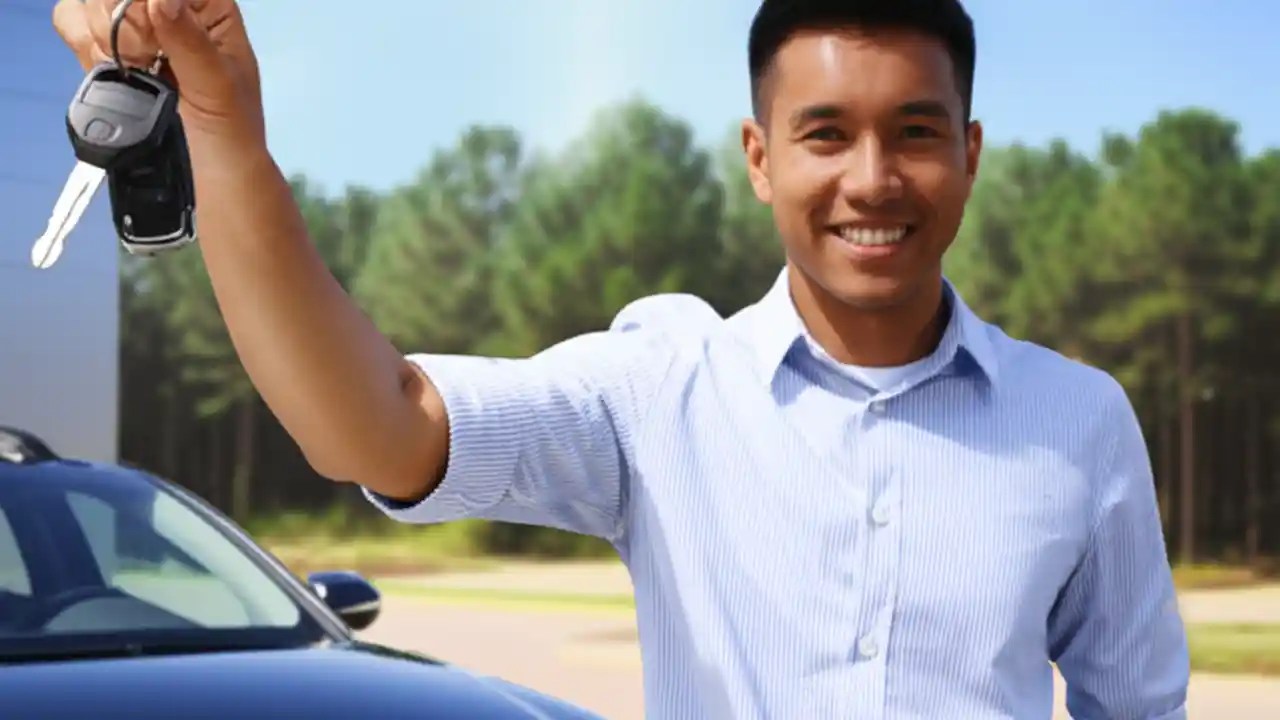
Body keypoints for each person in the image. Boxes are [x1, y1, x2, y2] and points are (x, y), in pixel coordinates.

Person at [54, 0, 1190, 717]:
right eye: (824, 134)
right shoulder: (660, 387)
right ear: (758, 157)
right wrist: (225, 131)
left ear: (970, 151)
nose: (872, 180)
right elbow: (374, 424)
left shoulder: (1077, 420)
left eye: (915, 131)